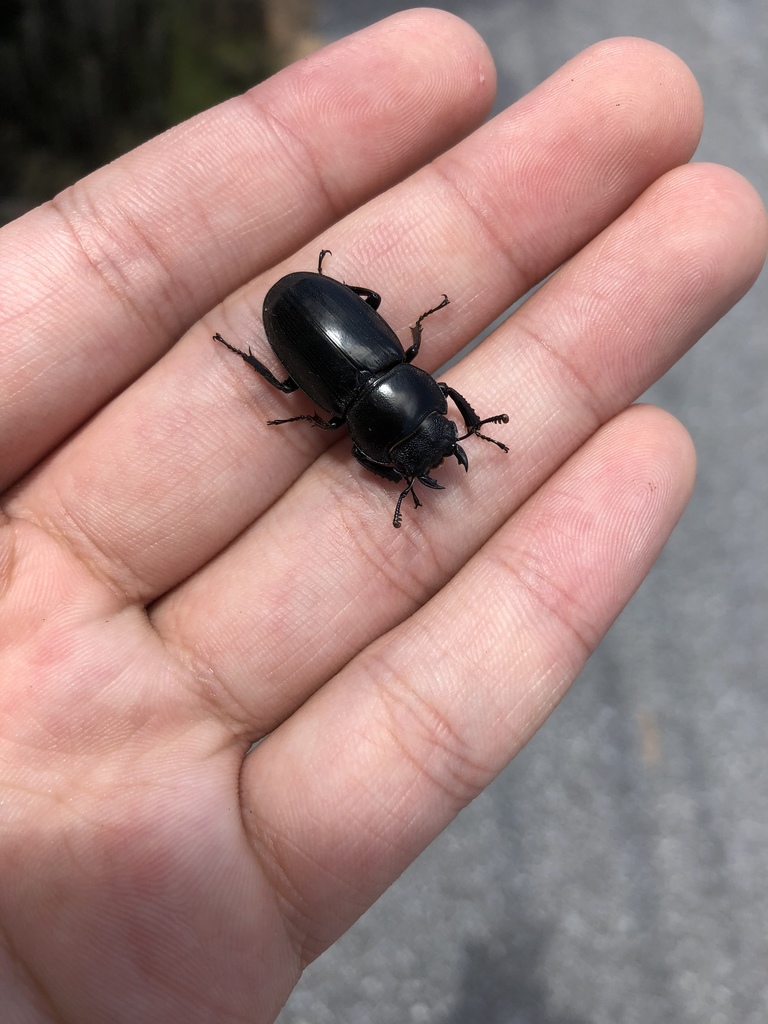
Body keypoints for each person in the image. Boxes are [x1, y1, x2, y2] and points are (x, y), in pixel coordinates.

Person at [0, 10, 765, 1024]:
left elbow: (398, 414)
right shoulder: (389, 387)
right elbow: (398, 413)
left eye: (425, 444)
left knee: (317, 380)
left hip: (325, 332)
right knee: (311, 380)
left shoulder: (382, 392)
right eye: (431, 440)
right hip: (318, 327)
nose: (431, 449)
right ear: (416, 393)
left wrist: (433, 422)